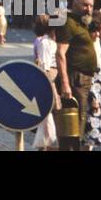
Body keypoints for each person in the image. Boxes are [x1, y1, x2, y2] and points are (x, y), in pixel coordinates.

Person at [55, 0, 97, 145]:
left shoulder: (82, 23)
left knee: (78, 123)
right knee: (71, 127)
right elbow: (60, 53)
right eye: (85, 5)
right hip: (75, 80)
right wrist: (65, 83)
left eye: (91, 6)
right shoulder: (69, 23)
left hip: (83, 80)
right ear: (74, 4)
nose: (89, 9)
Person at [32, 15, 59, 150]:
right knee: (47, 123)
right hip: (49, 83)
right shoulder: (45, 43)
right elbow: (44, 69)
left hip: (55, 81)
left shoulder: (54, 42)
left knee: (52, 124)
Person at [83, 14, 101, 149]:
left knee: (95, 134)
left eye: (99, 31)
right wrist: (93, 97)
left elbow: (100, 70)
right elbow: (88, 74)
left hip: (99, 89)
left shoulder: (96, 43)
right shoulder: (86, 47)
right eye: (94, 31)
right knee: (89, 131)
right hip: (91, 92)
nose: (97, 34)